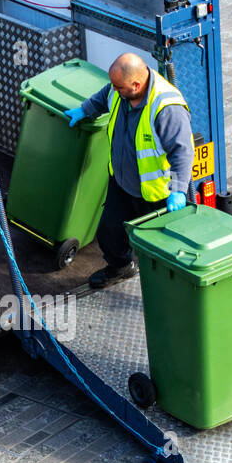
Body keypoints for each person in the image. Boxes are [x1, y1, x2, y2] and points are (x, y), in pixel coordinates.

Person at [65, 52, 193, 288]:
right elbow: (104, 96)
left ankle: (169, 287)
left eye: (119, 87)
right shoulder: (119, 91)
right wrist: (85, 110)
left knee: (159, 248)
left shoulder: (167, 108)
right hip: (122, 183)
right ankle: (121, 268)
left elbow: (182, 153)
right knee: (108, 232)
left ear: (136, 84)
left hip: (156, 194)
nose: (114, 90)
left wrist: (178, 189)